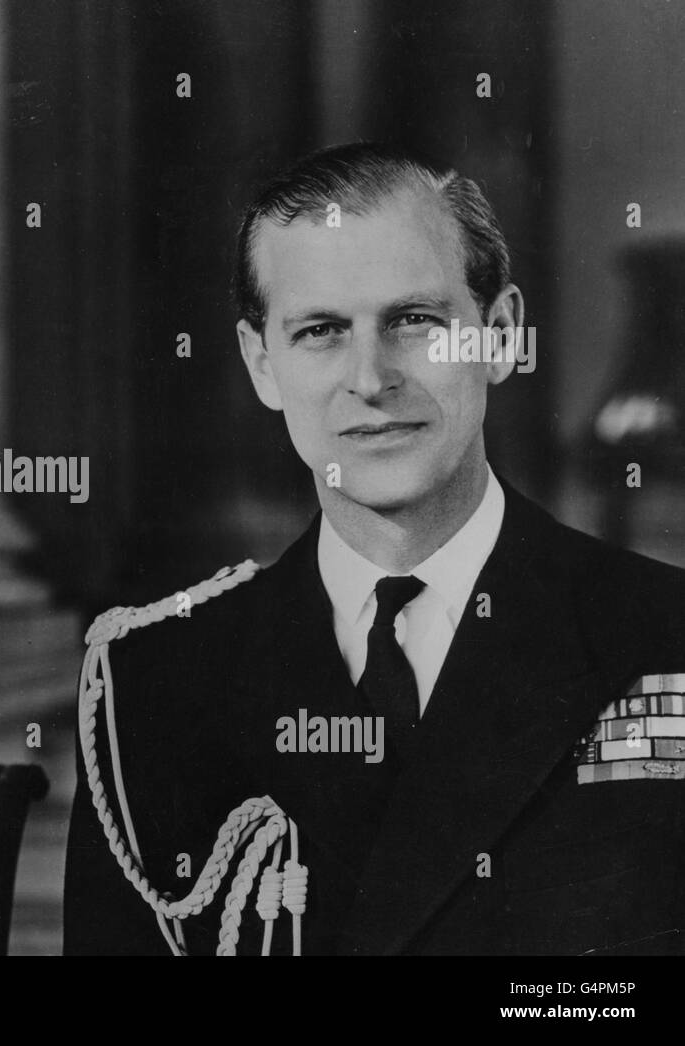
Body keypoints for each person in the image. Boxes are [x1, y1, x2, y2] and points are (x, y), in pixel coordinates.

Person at [64, 142, 685, 956]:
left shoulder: (662, 638)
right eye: (320, 330)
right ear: (262, 364)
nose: (370, 377)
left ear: (499, 335)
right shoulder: (152, 681)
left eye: (415, 321)